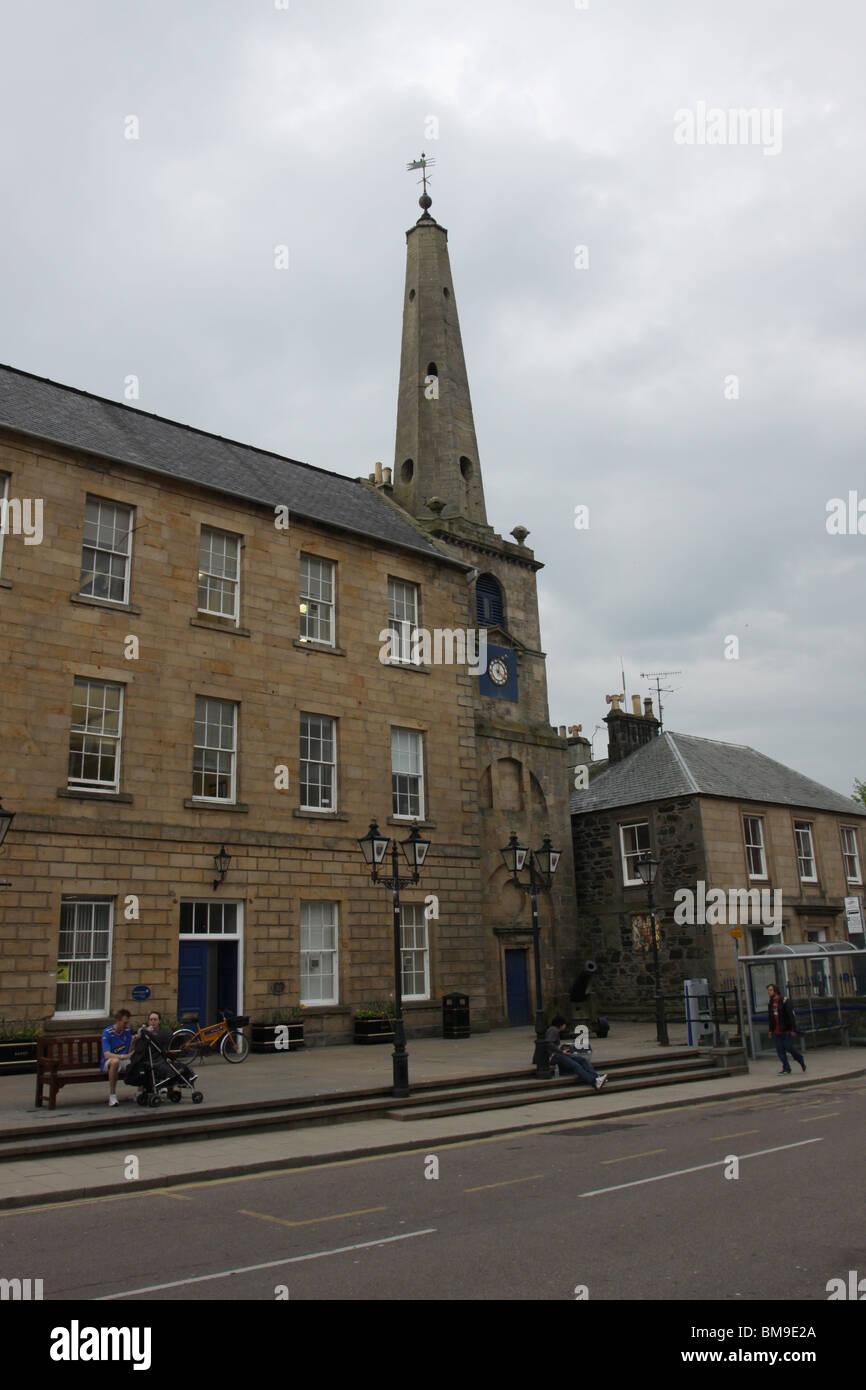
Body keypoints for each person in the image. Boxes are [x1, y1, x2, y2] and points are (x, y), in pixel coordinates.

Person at [545, 1015, 608, 1090]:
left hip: (558, 1054)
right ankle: (594, 1082)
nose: (565, 1026)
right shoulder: (553, 1030)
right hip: (554, 1056)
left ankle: (596, 1078)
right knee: (575, 1065)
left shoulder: (553, 1030)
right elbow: (549, 1043)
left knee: (582, 1060)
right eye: (565, 1024)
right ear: (561, 1025)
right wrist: (560, 1051)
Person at [766, 983, 806, 1075]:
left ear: (775, 990)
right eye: (768, 990)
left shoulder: (784, 1001)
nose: (769, 992)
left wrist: (793, 1029)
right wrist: (770, 1030)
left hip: (786, 1030)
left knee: (790, 1048)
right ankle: (786, 1068)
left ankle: (800, 1059)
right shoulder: (770, 1003)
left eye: (771, 990)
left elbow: (790, 1016)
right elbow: (771, 1018)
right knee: (780, 1051)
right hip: (776, 1030)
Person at [101, 1008, 134, 1105]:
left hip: (124, 1060)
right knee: (115, 1062)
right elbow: (106, 1054)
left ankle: (141, 1091)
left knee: (141, 1061)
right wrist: (123, 1056)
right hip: (109, 1062)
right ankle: (112, 1095)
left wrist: (133, 1043)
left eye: (127, 1023)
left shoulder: (127, 1031)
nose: (126, 1025)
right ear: (118, 1021)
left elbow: (129, 1051)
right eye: (124, 1023)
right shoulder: (107, 1032)